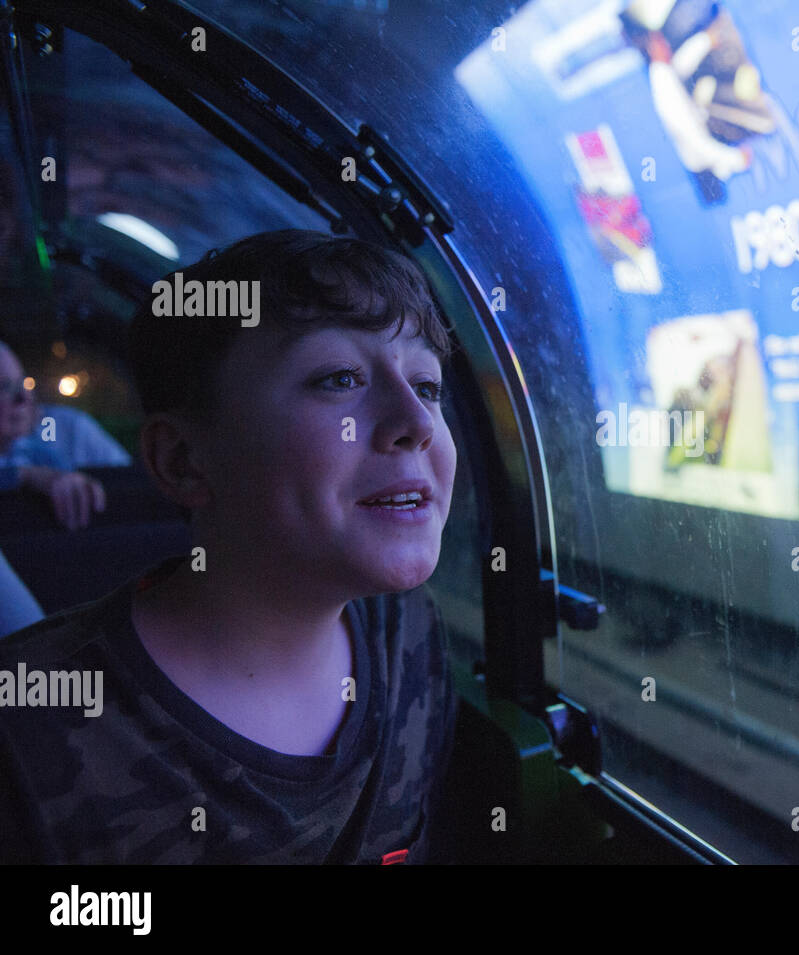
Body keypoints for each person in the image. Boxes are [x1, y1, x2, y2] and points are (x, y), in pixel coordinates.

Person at [0, 230, 460, 862]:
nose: (417, 423)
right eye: (339, 377)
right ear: (185, 461)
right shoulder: (28, 727)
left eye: (428, 385)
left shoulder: (407, 631)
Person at [0, 340, 129, 530]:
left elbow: (130, 486)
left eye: (23, 383)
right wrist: (26, 476)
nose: (24, 398)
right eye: (3, 388)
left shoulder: (67, 427)